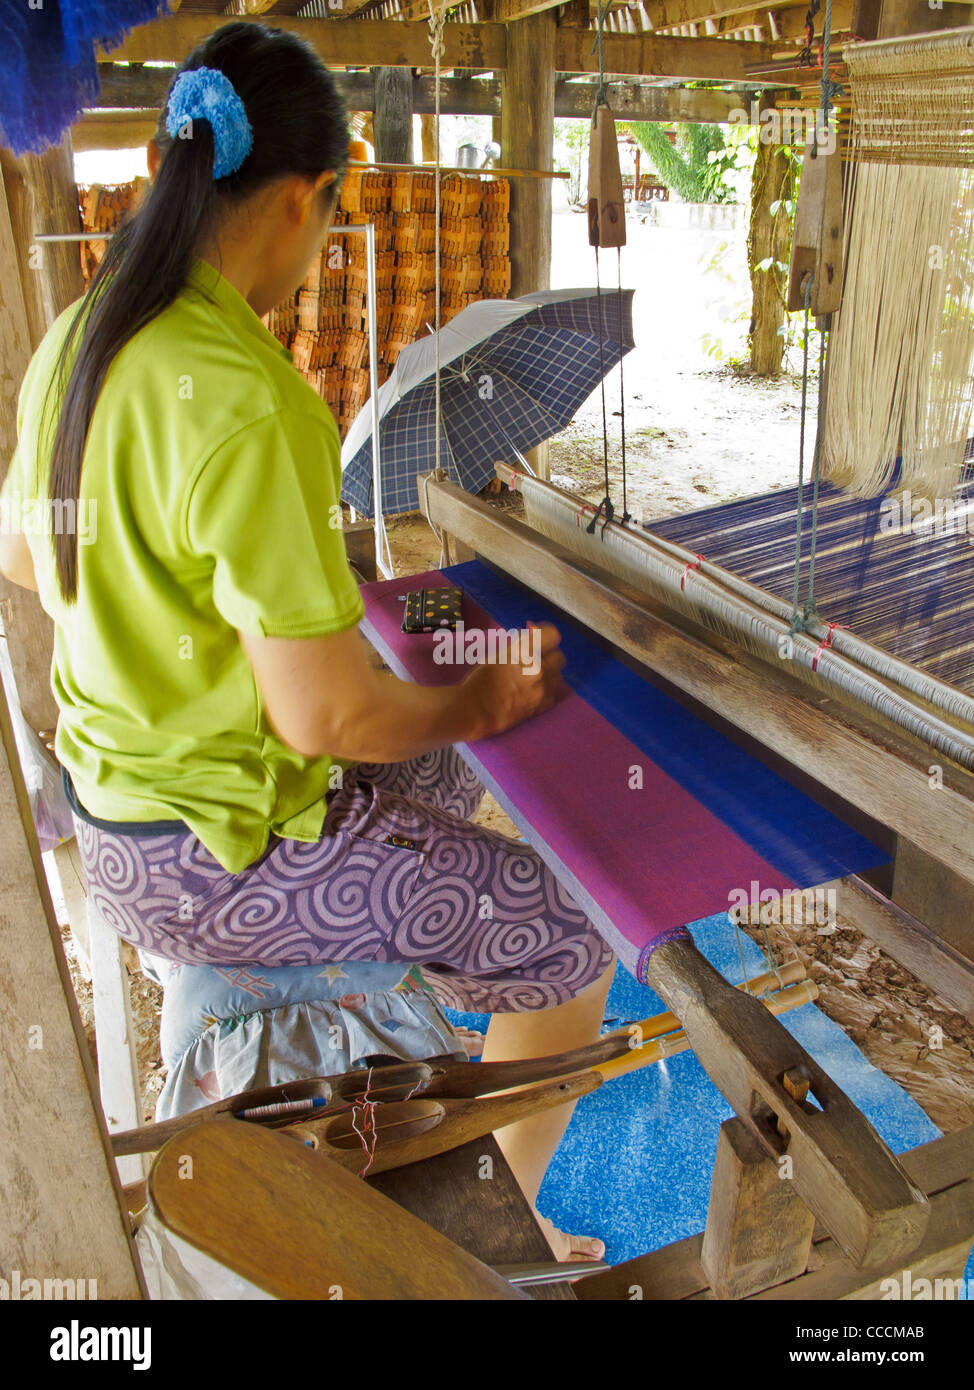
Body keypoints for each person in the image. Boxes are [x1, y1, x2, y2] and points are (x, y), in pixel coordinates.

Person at [0, 21, 615, 1262]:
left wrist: (240, 615)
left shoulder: (86, 332)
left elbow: (29, 554)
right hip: (207, 861)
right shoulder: (246, 394)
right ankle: (488, 1234)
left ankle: (437, 1008)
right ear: (303, 198)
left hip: (120, 801)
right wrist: (479, 699)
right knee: (565, 938)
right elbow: (325, 720)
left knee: (444, 782)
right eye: (330, 222)